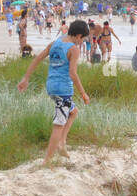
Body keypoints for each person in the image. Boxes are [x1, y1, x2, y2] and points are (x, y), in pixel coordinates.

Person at [18, 20, 90, 162]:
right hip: (63, 89)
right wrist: (83, 93)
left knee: (73, 112)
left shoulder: (56, 43)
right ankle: (47, 160)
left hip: (51, 86)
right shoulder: (73, 49)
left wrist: (26, 79)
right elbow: (73, 73)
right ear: (79, 35)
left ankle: (62, 143)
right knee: (59, 124)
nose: (82, 42)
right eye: (83, 39)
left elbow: (37, 59)